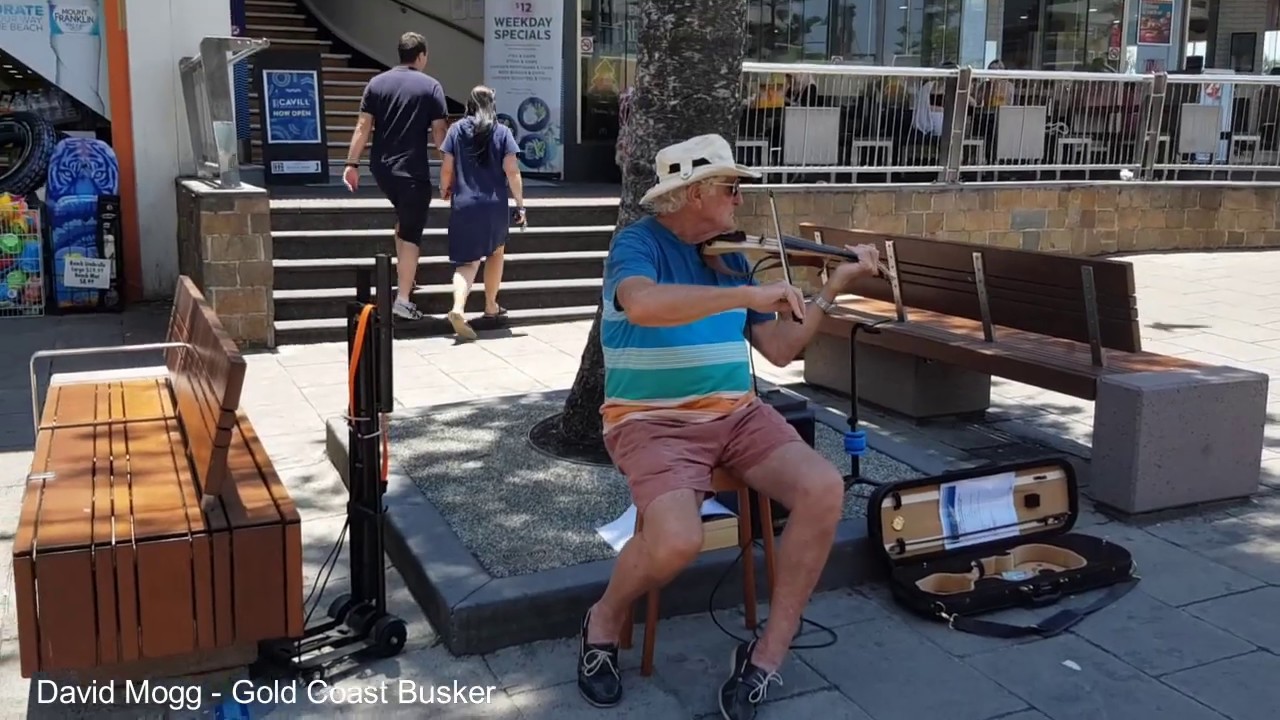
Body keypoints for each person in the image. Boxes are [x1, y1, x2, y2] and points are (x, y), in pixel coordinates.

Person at [577, 134, 881, 720]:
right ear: (693, 193)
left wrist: (834, 287)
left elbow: (781, 349)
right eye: (731, 187)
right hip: (650, 421)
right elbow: (641, 304)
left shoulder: (731, 255)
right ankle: (606, 616)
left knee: (823, 488)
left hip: (736, 414)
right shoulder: (637, 245)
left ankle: (768, 653)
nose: (740, 199)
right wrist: (743, 291)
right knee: (678, 541)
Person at [342, 32, 450, 320]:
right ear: (422, 55)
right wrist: (447, 171)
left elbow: (363, 125)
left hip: (382, 169)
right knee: (412, 232)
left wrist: (352, 163)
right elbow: (440, 132)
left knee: (404, 220)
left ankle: (407, 275)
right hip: (412, 171)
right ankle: (402, 299)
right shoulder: (431, 87)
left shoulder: (376, 83)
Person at [438, 85, 526, 340]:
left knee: (467, 262)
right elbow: (512, 171)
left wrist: (445, 190)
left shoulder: (456, 130)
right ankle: (490, 305)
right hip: (494, 205)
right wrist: (520, 204)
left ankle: (457, 307)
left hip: (464, 203)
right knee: (496, 251)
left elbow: (446, 168)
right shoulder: (502, 132)